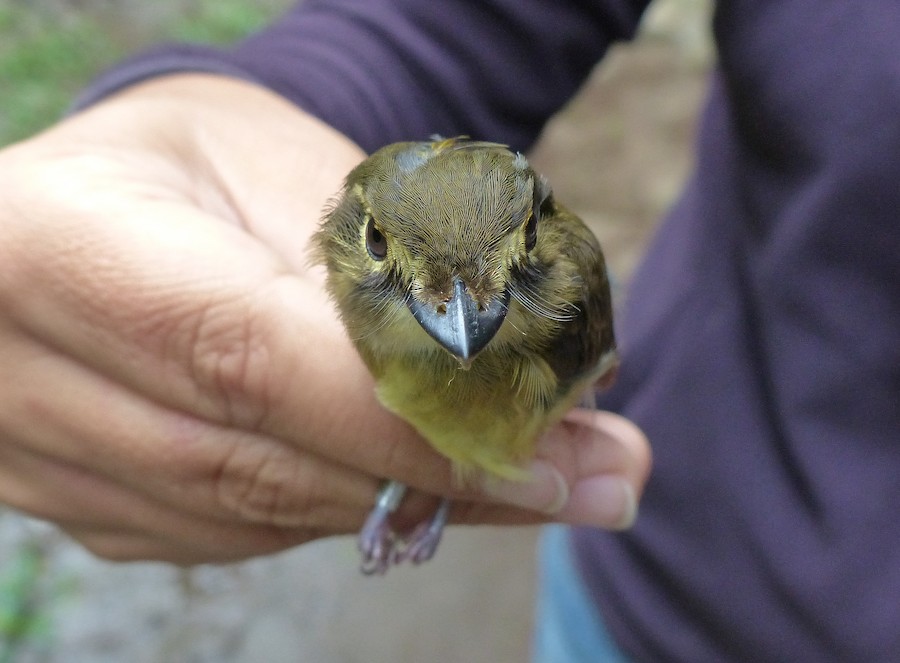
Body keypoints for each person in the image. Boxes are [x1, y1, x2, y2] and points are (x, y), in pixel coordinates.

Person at [2, 0, 898, 661]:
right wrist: (200, 111)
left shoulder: (555, 304)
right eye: (387, 255)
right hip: (655, 613)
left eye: (503, 272)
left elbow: (580, 355)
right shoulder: (343, 252)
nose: (460, 320)